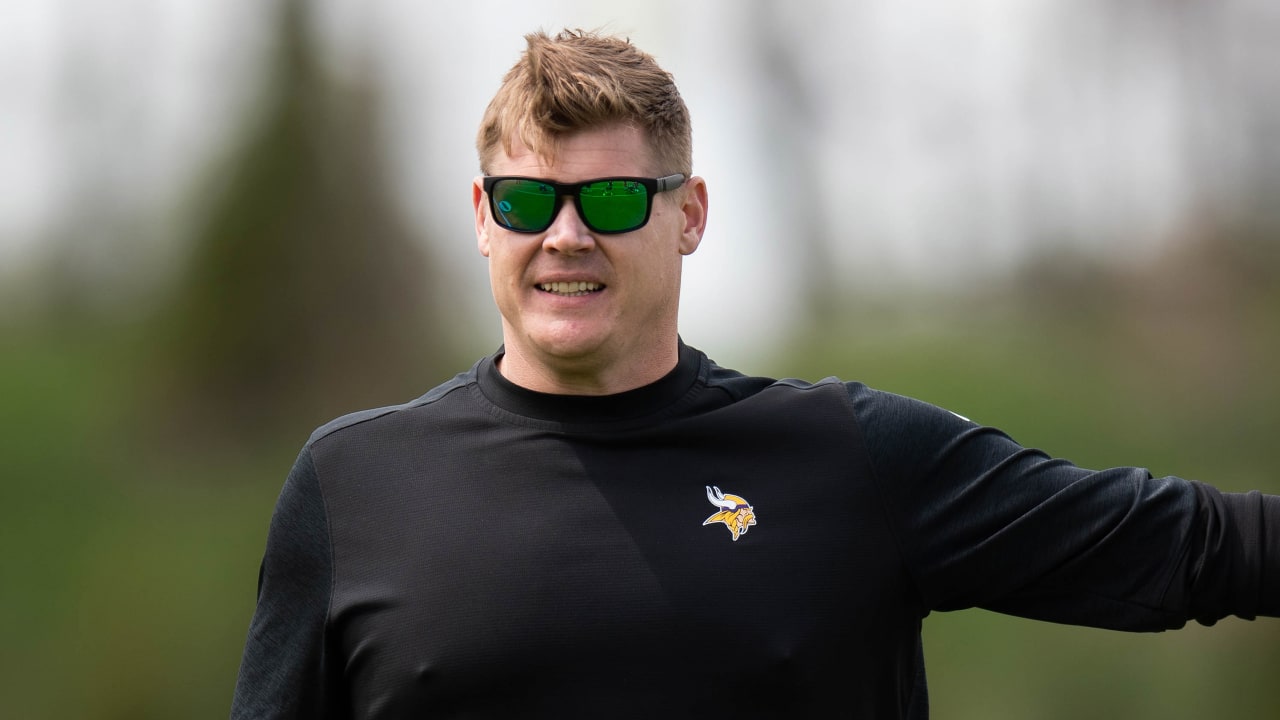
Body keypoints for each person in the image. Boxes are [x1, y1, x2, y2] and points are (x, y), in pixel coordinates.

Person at [230, 29, 1280, 719]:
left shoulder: (849, 459)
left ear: (687, 216)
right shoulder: (354, 486)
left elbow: (1197, 548)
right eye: (523, 203)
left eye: (607, 204)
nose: (562, 238)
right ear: (479, 217)